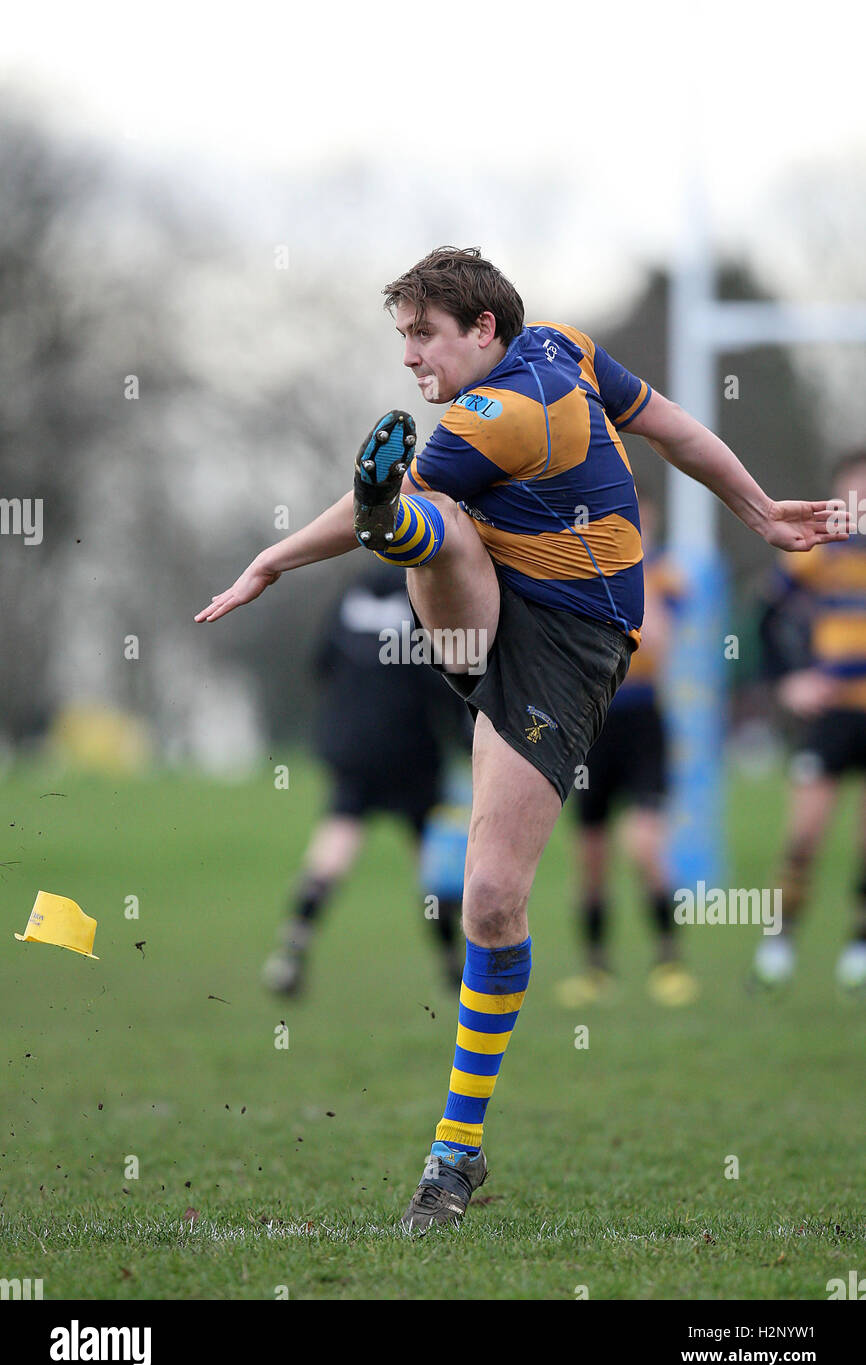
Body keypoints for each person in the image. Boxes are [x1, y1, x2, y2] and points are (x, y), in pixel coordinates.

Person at [195, 246, 845, 1234]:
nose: (410, 356)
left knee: (492, 901)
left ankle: (454, 1150)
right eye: (402, 336)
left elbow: (664, 425)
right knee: (437, 521)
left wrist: (284, 554)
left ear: (481, 330)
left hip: (567, 649)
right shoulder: (545, 364)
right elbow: (669, 426)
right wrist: (754, 508)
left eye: (424, 335)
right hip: (476, 623)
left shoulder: (511, 401)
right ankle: (397, 524)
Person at [261, 563, 466, 997]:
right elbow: (444, 676)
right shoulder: (425, 589)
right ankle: (455, 967)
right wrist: (466, 739)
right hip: (411, 748)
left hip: (353, 746)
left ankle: (291, 949)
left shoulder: (353, 589)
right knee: (435, 863)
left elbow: (320, 663)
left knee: (335, 845)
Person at [555, 497, 699, 1008]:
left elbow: (657, 635)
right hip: (591, 724)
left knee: (644, 846)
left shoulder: (663, 576)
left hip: (642, 722)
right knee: (590, 857)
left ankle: (669, 960)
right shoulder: (578, 569)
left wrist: (638, 564)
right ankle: (595, 968)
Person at [752, 450, 866, 993]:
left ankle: (859, 946)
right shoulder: (823, 550)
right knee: (804, 836)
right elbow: (767, 616)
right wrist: (790, 679)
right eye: (855, 489)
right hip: (831, 713)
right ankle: (779, 941)